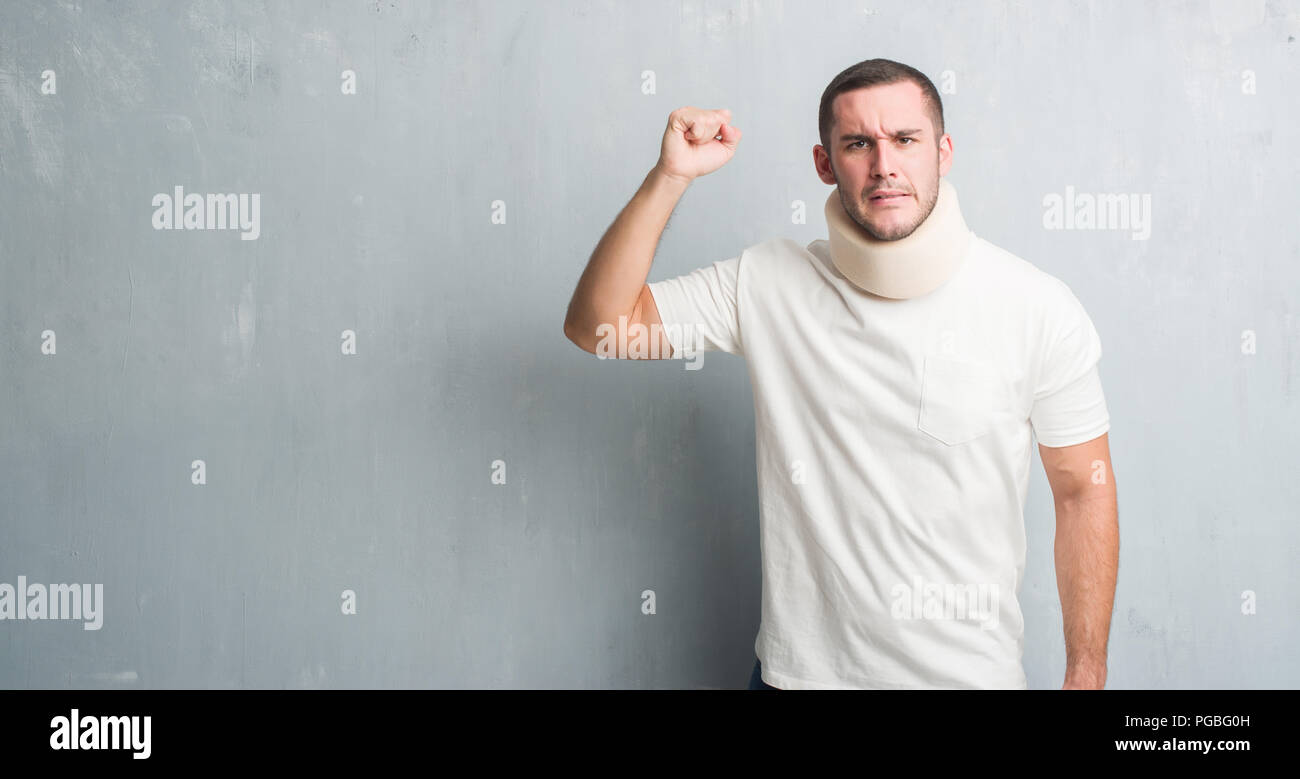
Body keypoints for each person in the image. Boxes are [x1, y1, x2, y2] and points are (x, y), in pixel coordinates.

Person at [563, 58, 1118, 690]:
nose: (885, 165)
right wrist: (670, 176)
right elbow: (598, 326)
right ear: (826, 165)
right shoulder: (770, 284)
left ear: (944, 152)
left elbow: (1083, 489)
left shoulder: (1036, 307)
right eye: (859, 144)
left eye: (905, 140)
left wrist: (1087, 672)